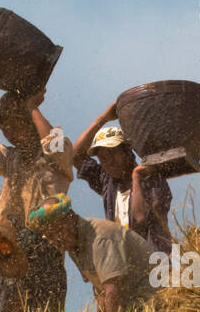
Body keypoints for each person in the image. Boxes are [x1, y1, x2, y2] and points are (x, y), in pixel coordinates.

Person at [0, 68, 73, 312]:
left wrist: (32, 106)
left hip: (46, 245)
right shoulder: (10, 157)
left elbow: (54, 144)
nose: (9, 132)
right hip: (8, 246)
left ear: (28, 122)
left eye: (13, 124)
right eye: (4, 126)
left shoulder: (57, 148)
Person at [26, 194, 156, 312]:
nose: (55, 240)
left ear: (71, 218)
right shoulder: (73, 243)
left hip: (155, 301)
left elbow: (111, 289)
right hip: (134, 305)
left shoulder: (99, 239)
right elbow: (99, 288)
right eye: (49, 236)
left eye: (58, 231)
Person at [71, 106, 175, 254]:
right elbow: (75, 156)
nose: (109, 162)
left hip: (154, 263)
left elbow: (140, 219)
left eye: (113, 153)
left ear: (127, 151)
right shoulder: (107, 182)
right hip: (125, 267)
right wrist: (101, 120)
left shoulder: (152, 179)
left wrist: (136, 177)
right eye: (103, 158)